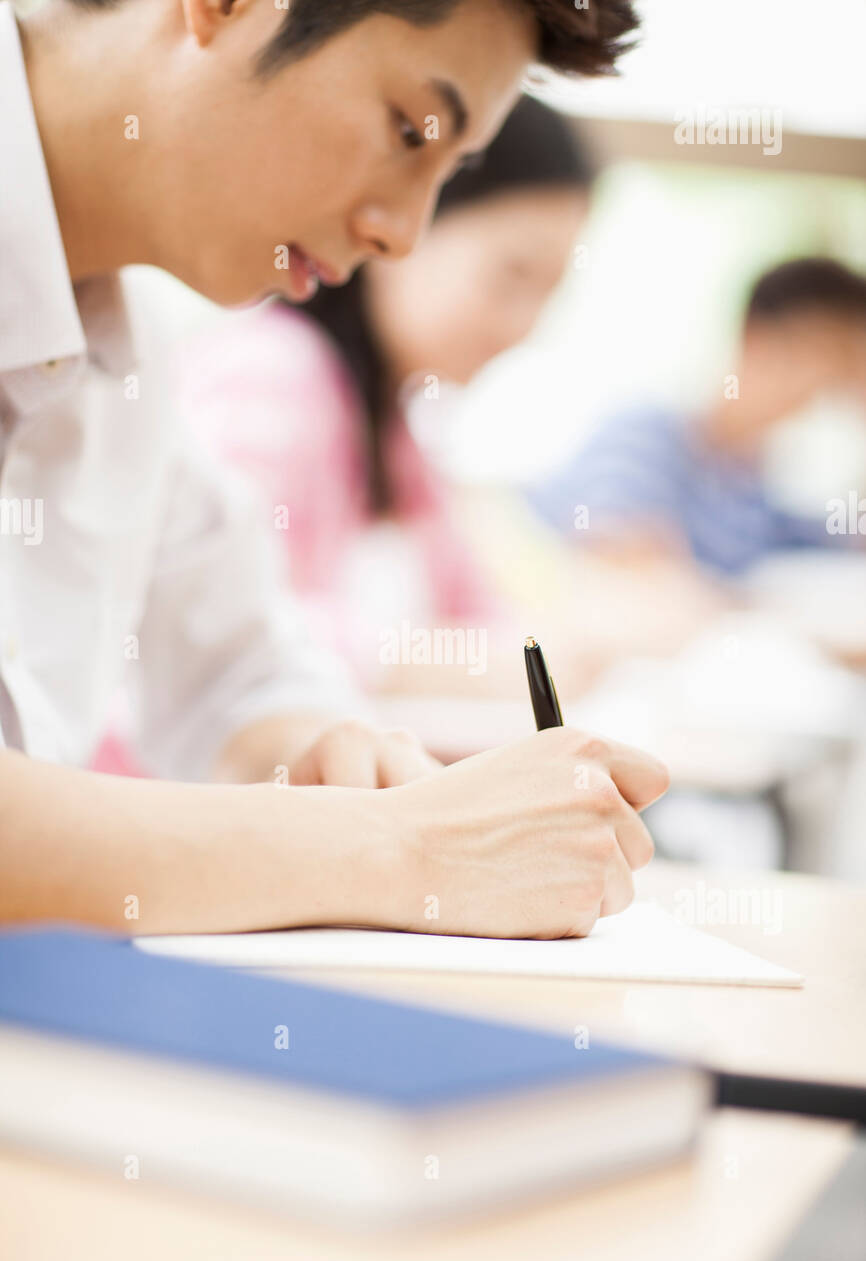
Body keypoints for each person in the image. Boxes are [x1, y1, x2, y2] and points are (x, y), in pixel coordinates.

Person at [0, 0, 667, 939]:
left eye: (449, 172)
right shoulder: (266, 374)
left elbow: (243, 671)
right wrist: (399, 850)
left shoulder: (127, 356)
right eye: (408, 130)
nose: (405, 232)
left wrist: (326, 755)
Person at [178, 96, 593, 693]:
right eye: (514, 276)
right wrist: (445, 660)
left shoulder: (396, 428)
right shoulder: (267, 375)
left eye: (549, 292)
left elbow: (482, 613)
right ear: (404, 229)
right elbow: (216, 629)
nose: (525, 325)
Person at [528, 258, 866, 605]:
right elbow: (628, 565)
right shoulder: (646, 434)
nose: (830, 379)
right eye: (831, 353)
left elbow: (848, 537)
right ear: (756, 337)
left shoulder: (749, 488)